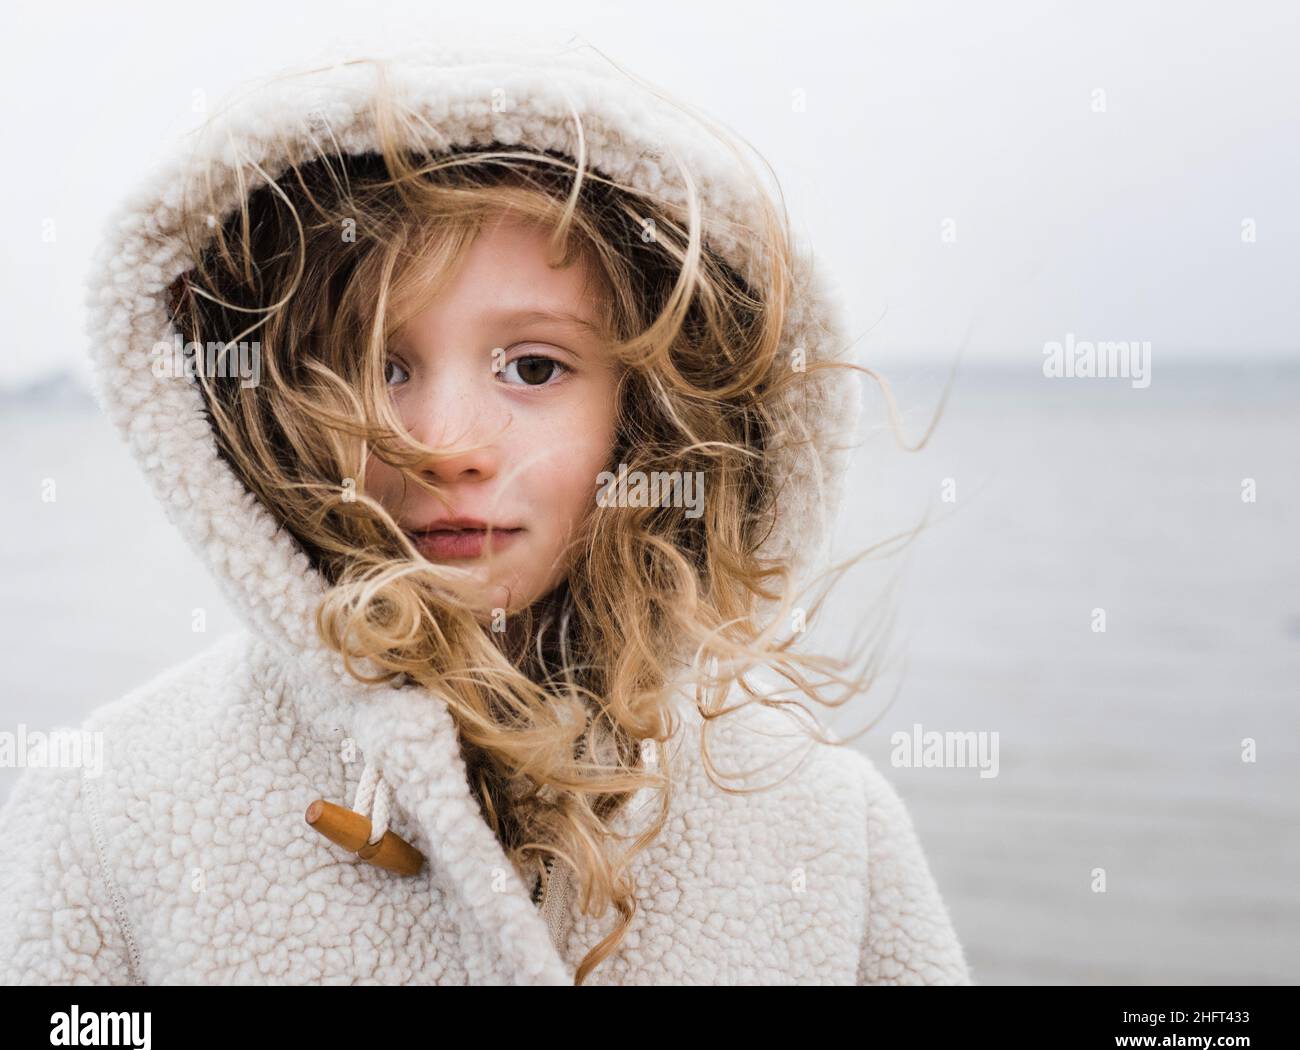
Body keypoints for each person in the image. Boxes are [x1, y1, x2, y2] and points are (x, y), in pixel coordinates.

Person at [0, 40, 972, 986]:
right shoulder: (115, 805)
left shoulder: (826, 827)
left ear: (641, 413)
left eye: (533, 368)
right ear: (278, 407)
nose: (448, 441)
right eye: (377, 366)